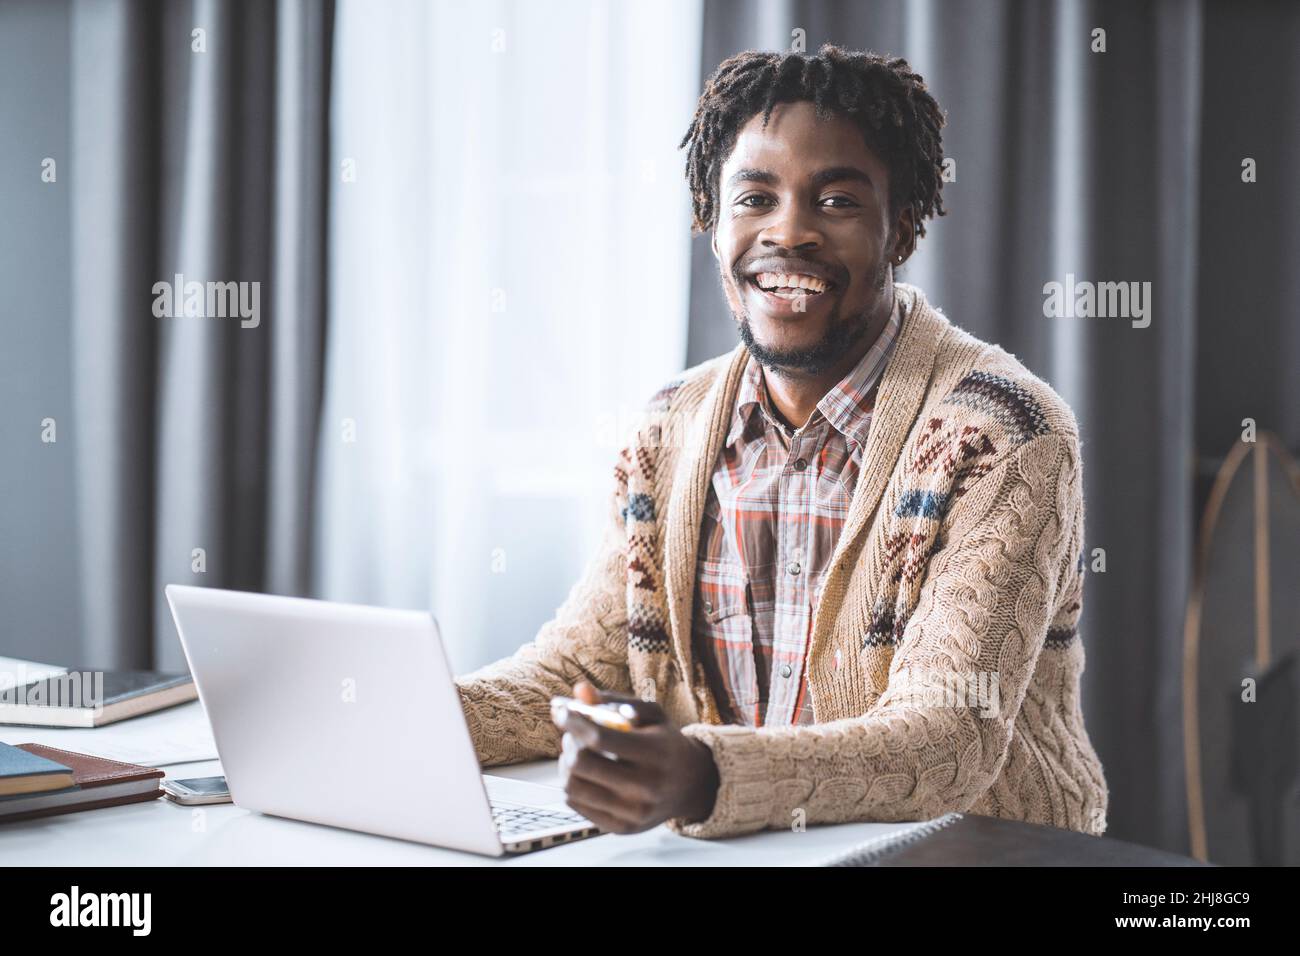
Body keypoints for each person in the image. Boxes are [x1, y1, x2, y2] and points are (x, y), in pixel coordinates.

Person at [455, 44, 1108, 840]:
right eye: (754, 197)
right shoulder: (669, 428)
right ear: (712, 217)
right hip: (749, 853)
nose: (788, 232)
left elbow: (949, 737)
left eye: (835, 201)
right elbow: (579, 671)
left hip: (974, 853)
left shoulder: (1003, 431)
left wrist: (703, 774)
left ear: (901, 229)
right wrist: (401, 718)